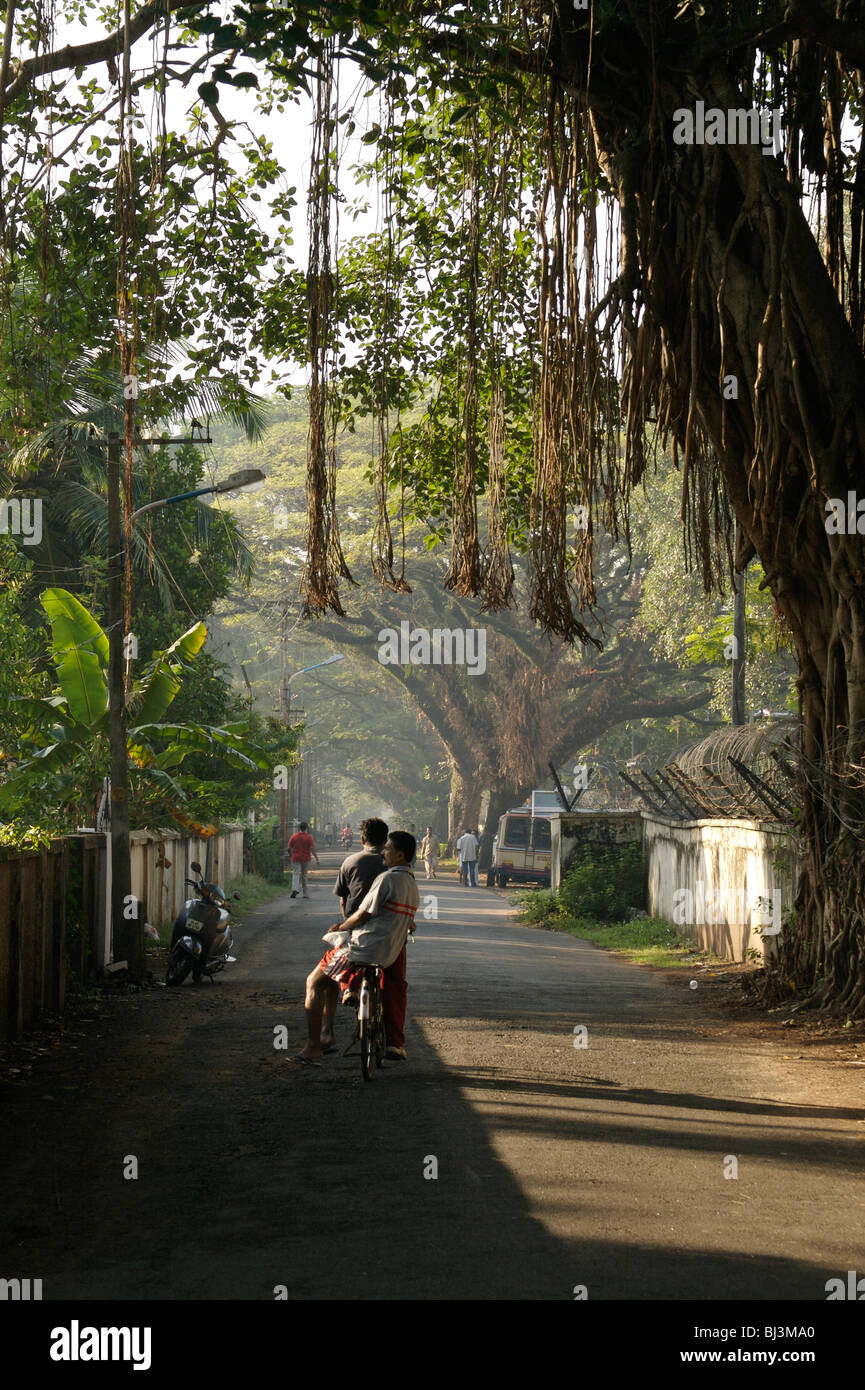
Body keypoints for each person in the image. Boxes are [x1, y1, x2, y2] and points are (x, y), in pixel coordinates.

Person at [295, 831, 419, 1065]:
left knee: (314, 981)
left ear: (400, 855)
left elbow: (361, 915)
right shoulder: (411, 883)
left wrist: (339, 926)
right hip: (391, 952)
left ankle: (314, 1046)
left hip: (364, 948)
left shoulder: (387, 878)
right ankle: (388, 1036)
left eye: (389, 848)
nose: (384, 852)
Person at [287, 821, 319, 899]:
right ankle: (305, 893)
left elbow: (289, 848)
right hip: (305, 858)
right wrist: (317, 859)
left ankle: (295, 889)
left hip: (296, 857)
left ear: (299, 828)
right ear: (306, 828)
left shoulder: (294, 836)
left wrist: (291, 855)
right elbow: (312, 849)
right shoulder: (309, 837)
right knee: (304, 875)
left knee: (295, 874)